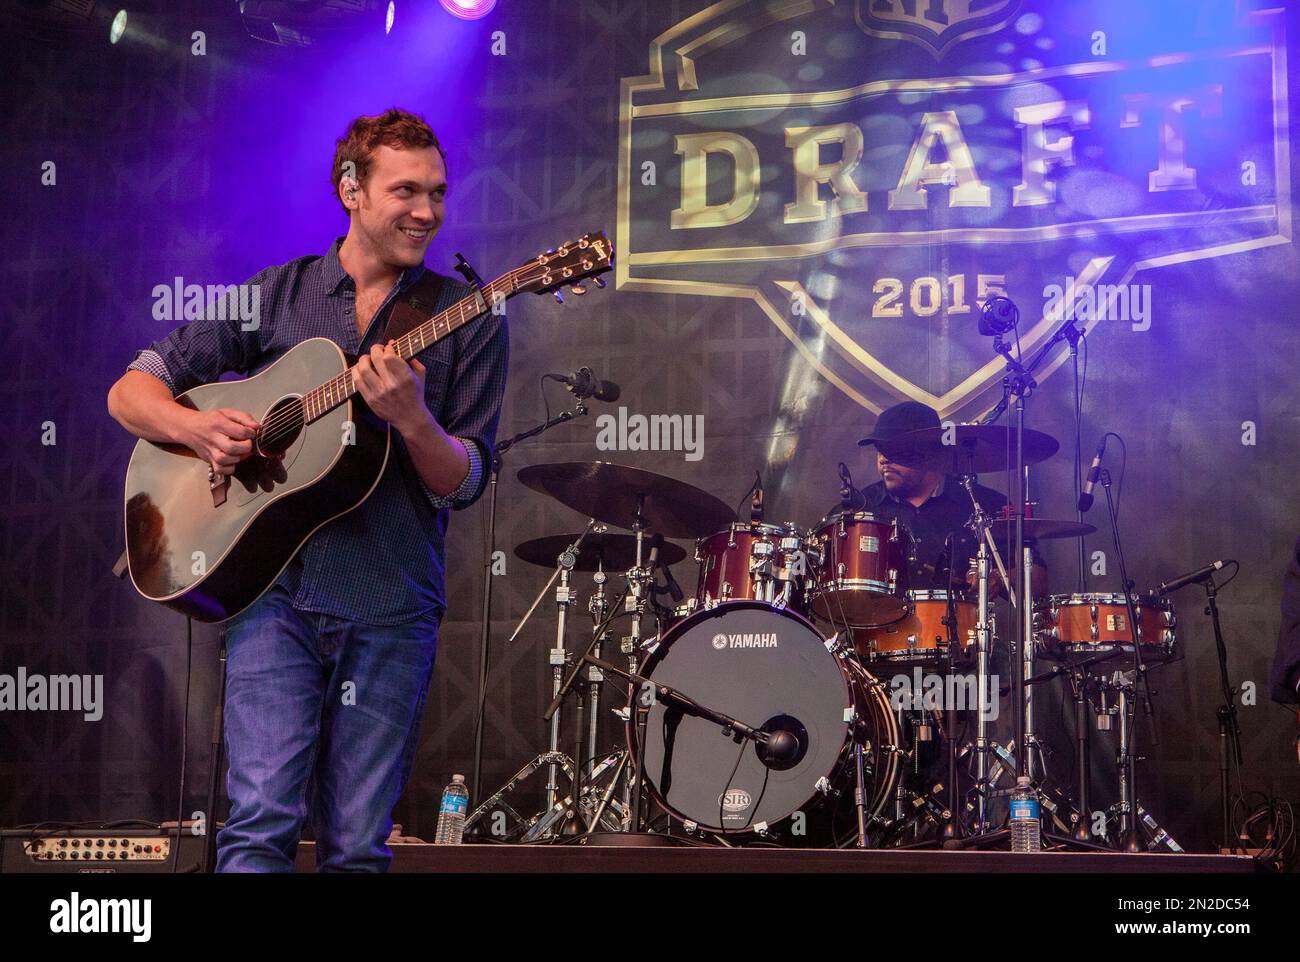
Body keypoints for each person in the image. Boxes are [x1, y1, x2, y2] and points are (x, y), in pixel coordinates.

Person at [106, 109, 508, 871]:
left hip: (392, 602)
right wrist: (195, 432)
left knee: (358, 847)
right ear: (350, 190)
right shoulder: (276, 295)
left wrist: (415, 422)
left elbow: (468, 482)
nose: (427, 212)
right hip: (275, 598)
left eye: (439, 194)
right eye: (406, 191)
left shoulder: (467, 318)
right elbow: (131, 390)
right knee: (259, 827)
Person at [828, 401, 1046, 598]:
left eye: (893, 450)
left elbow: (1038, 582)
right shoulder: (860, 508)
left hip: (962, 637)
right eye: (879, 451)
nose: (884, 459)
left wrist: (996, 577)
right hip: (874, 637)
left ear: (928, 450)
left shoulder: (983, 505)